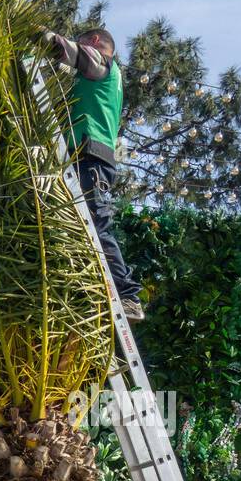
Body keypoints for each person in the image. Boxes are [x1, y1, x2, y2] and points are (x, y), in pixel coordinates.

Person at [44, 27, 144, 321]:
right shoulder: (103, 80)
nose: (80, 45)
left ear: (96, 42)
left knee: (97, 226)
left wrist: (34, 32)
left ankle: (128, 296)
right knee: (86, 228)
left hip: (90, 157)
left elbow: (67, 50)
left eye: (84, 41)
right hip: (88, 157)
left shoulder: (101, 64)